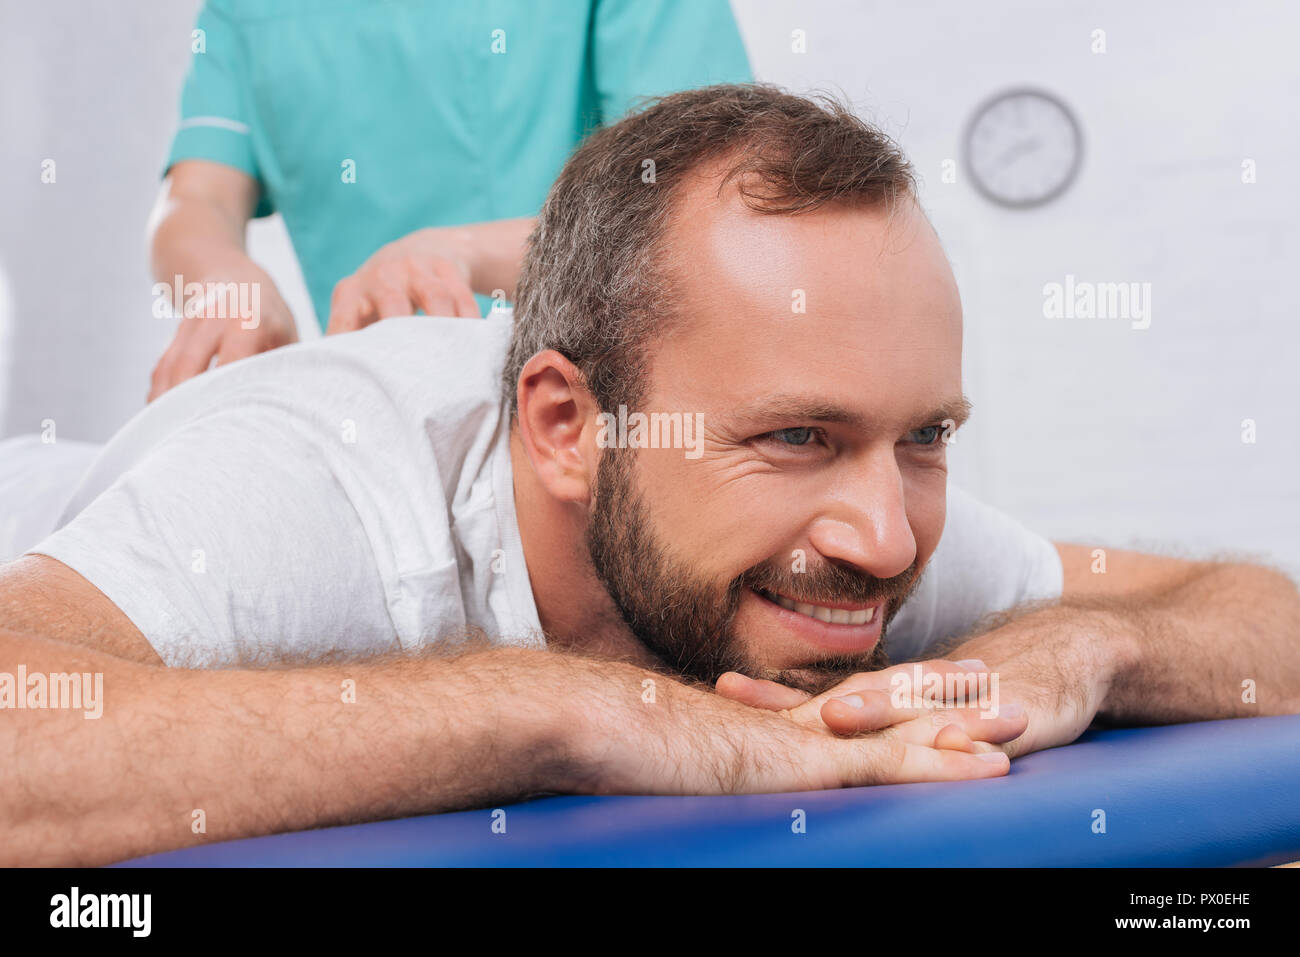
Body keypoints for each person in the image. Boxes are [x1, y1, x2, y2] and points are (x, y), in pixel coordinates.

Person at [3, 85, 1297, 866]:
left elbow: (1265, 625)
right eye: (795, 437)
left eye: (925, 435)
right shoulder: (317, 479)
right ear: (569, 426)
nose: (891, 541)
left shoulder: (860, 523)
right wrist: (594, 715)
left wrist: (1076, 654)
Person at [146, 0, 751, 399]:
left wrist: (460, 254)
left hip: (594, 405)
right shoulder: (243, 13)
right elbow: (196, 199)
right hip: (371, 413)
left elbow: (699, 193)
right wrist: (225, 282)